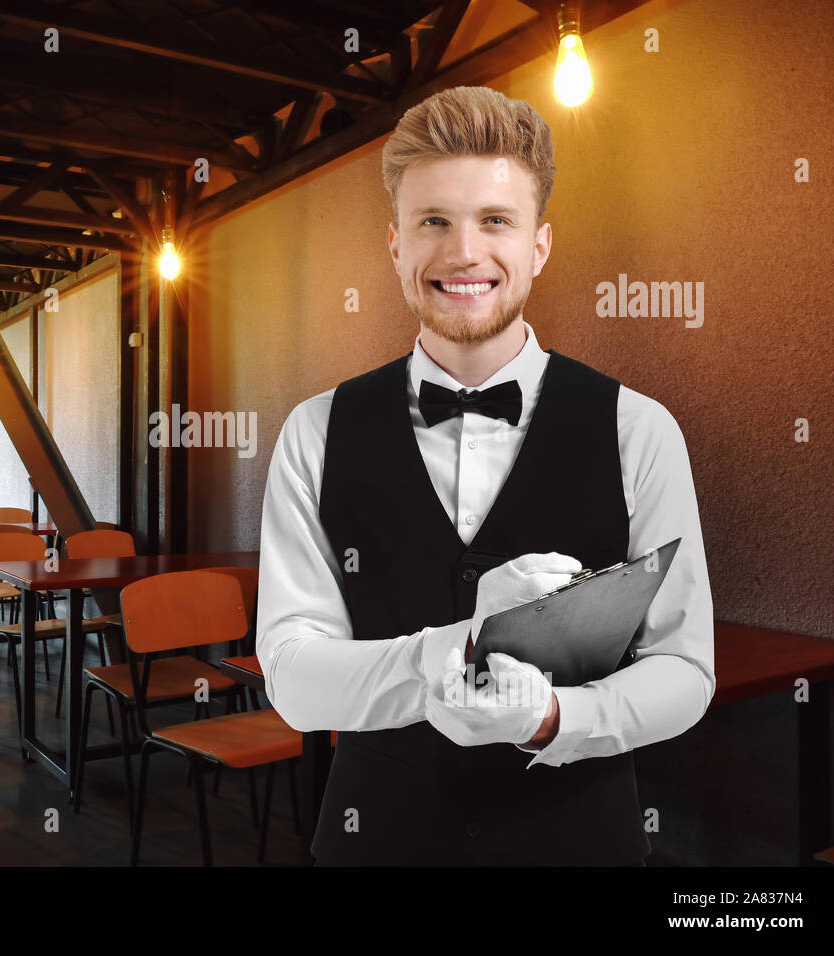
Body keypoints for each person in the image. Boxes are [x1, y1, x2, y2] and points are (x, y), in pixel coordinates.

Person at [255, 86, 714, 866]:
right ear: (396, 245)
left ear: (538, 246)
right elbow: (295, 678)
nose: (464, 252)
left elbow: (685, 669)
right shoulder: (315, 431)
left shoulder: (641, 430)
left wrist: (554, 717)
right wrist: (456, 647)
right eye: (433, 220)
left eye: (495, 220)